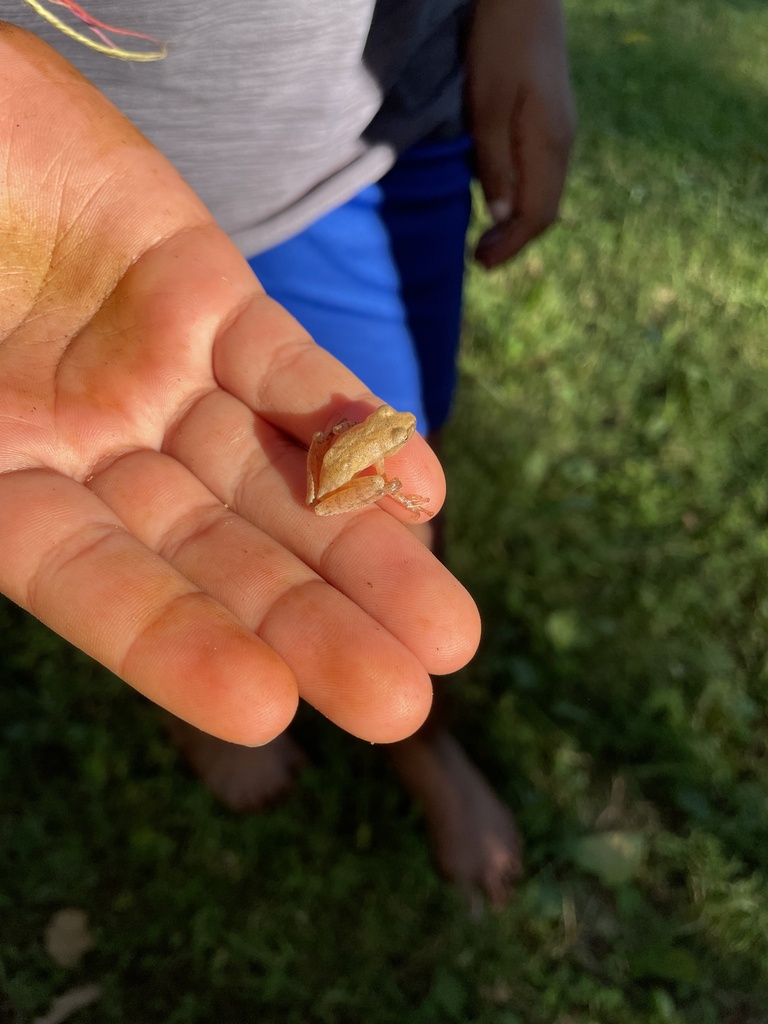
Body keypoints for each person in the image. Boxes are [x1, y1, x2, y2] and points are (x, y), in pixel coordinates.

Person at [0, 0, 574, 905]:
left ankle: (425, 743)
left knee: (405, 532)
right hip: (54, 185)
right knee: (146, 505)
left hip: (357, 143)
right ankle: (204, 691)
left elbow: (374, 441)